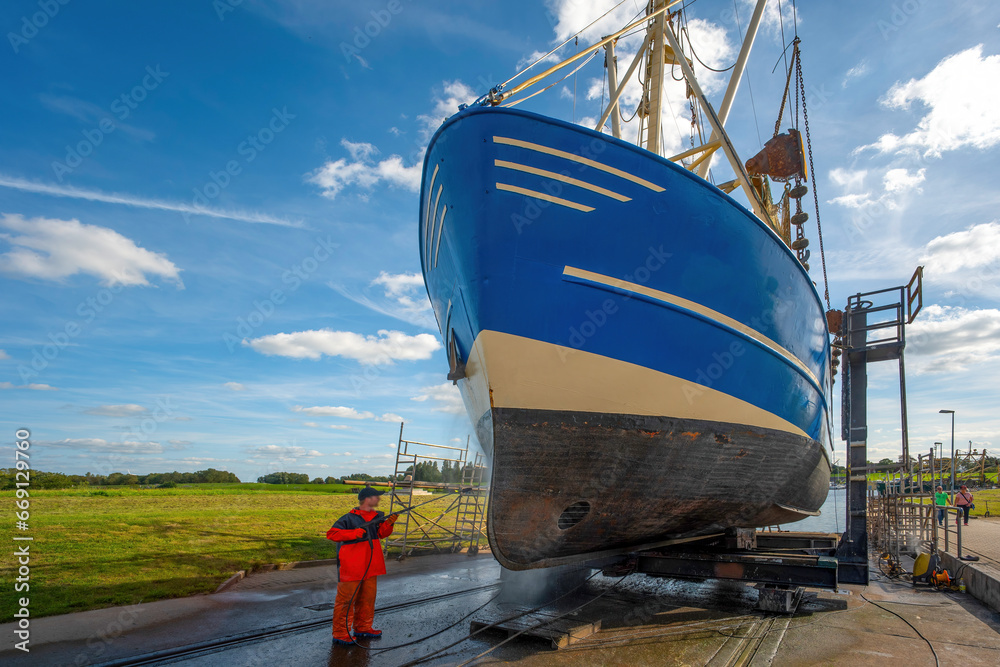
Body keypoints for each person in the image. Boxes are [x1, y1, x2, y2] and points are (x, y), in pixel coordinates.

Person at [327, 486, 399, 646]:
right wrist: (353, 533)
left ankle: (363, 628)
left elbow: (381, 534)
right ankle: (340, 633)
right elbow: (331, 534)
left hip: (371, 565)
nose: (379, 499)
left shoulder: (377, 517)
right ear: (367, 499)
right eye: (376, 497)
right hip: (351, 566)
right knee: (346, 601)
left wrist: (389, 524)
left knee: (367, 599)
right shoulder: (348, 518)